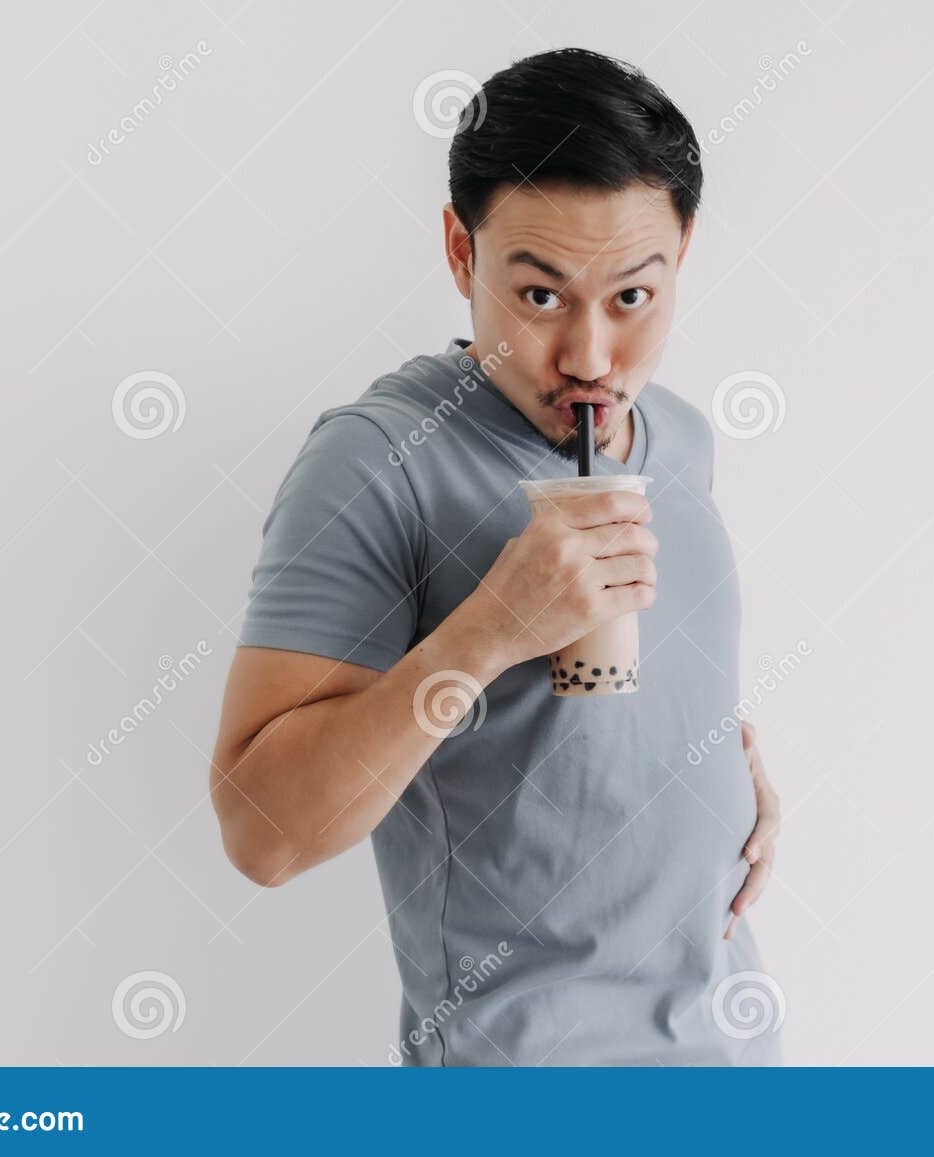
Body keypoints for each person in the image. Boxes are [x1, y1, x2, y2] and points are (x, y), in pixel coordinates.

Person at [209, 47, 782, 1065]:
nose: (592, 357)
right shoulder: (377, 459)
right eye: (541, 296)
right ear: (461, 253)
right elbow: (263, 831)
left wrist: (728, 780)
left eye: (632, 298)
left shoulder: (682, 438)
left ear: (682, 250)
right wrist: (490, 630)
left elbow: (607, 723)